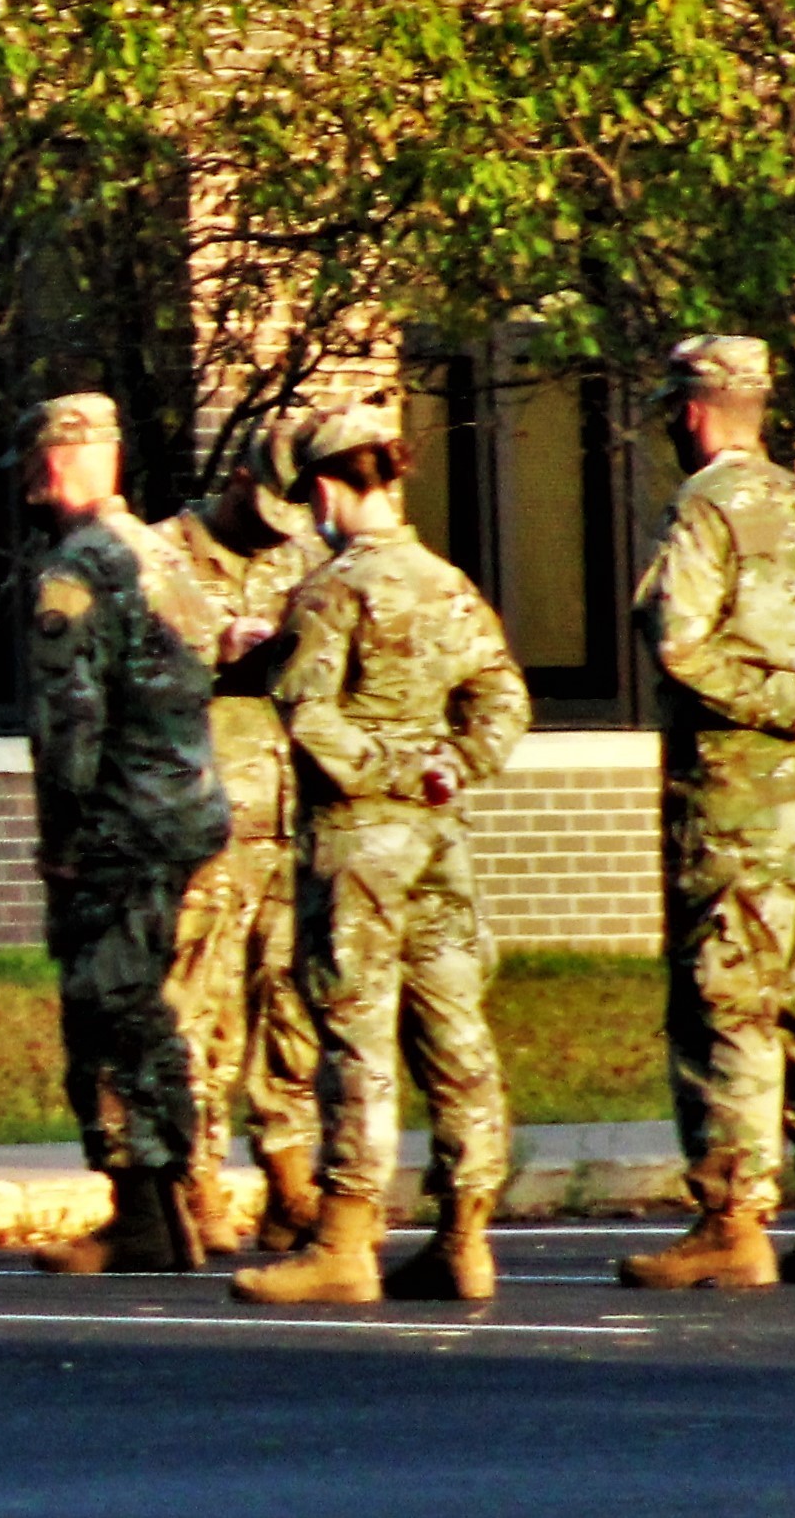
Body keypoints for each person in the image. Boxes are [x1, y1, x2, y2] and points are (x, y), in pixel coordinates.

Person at [617, 336, 795, 1292]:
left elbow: (678, 645)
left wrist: (783, 700)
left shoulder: (704, 510)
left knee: (730, 999)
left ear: (694, 413)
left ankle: (733, 1219)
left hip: (739, 800)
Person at [230, 403, 532, 1305]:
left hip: (359, 840)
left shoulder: (331, 590)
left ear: (326, 487)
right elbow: (503, 699)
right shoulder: (448, 582)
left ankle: (345, 1238)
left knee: (355, 1031)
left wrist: (388, 770)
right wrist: (447, 766)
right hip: (440, 838)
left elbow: (306, 711)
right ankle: (466, 1234)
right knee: (454, 1028)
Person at [13, 391, 232, 1275]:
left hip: (118, 825)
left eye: (30, 463)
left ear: (50, 462)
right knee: (152, 1008)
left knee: (105, 1010)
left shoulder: (73, 571)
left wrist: (61, 837)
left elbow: (71, 722)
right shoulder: (163, 554)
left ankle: (142, 1208)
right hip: (187, 813)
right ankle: (178, 1198)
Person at [154, 421, 331, 1256]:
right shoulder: (164, 553)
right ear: (233, 478)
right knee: (203, 1001)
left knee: (290, 998)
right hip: (207, 816)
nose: (272, 530)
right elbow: (124, 667)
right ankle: (198, 1180)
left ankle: (290, 1173)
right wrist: (209, 646)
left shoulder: (304, 556)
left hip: (293, 811)